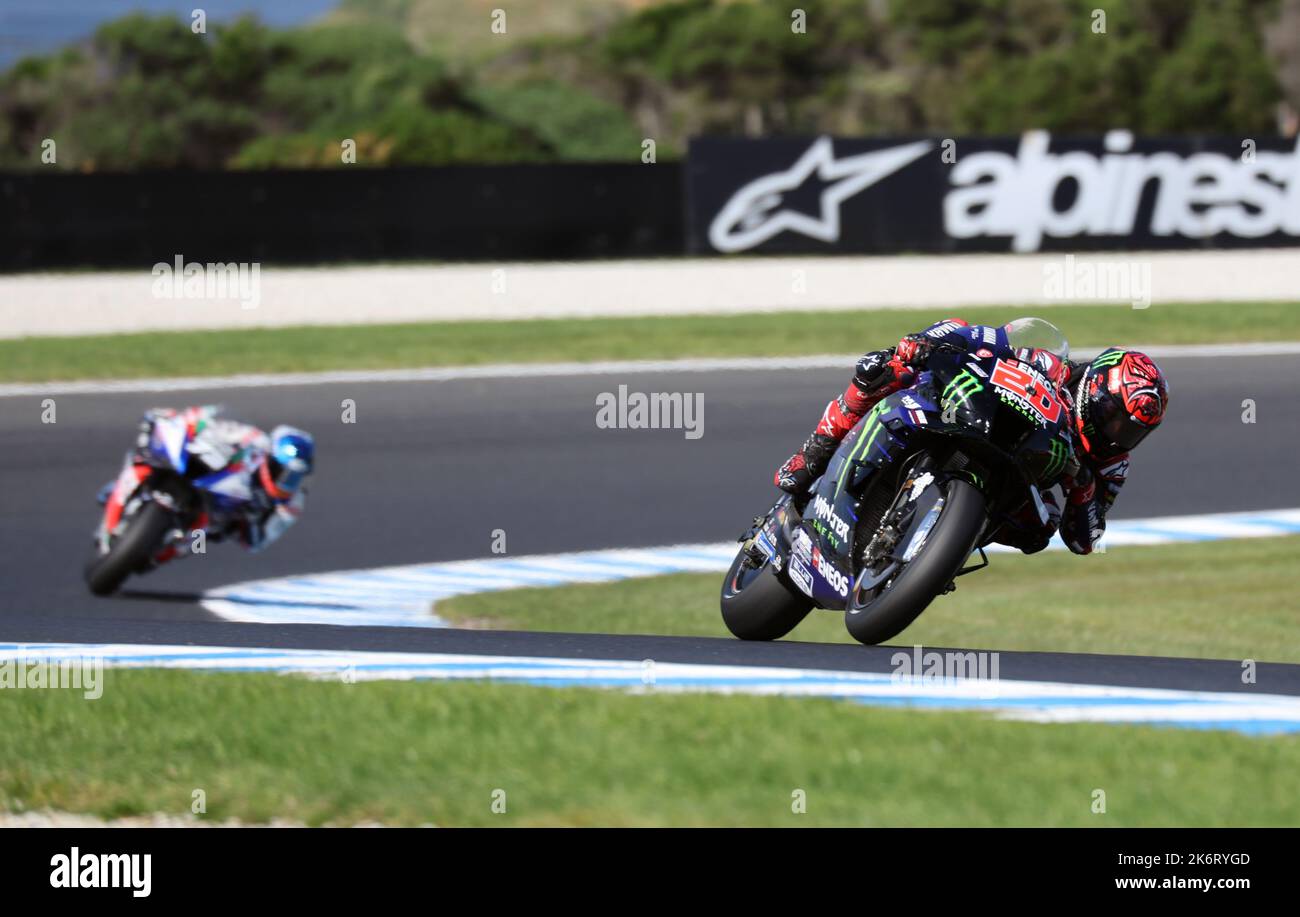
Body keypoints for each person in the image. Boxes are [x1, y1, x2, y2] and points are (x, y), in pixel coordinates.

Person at [774, 318, 1169, 555]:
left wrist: (1082, 487)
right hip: (966, 411)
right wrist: (930, 344)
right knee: (884, 367)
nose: (1119, 433)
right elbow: (987, 338)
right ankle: (816, 449)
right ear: (1095, 387)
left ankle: (952, 541)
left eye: (1133, 431)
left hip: (1019, 475)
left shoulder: (1113, 463)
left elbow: (1086, 540)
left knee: (1040, 528)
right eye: (1115, 417)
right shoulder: (1053, 366)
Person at [103, 405, 314, 555]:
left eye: (293, 477)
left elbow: (257, 543)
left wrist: (251, 520)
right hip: (203, 473)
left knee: (197, 543)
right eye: (282, 471)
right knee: (148, 450)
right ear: (270, 456)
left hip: (214, 516)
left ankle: (171, 549)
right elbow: (205, 417)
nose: (285, 480)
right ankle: (123, 489)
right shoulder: (254, 440)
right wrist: (181, 421)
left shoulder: (292, 502)